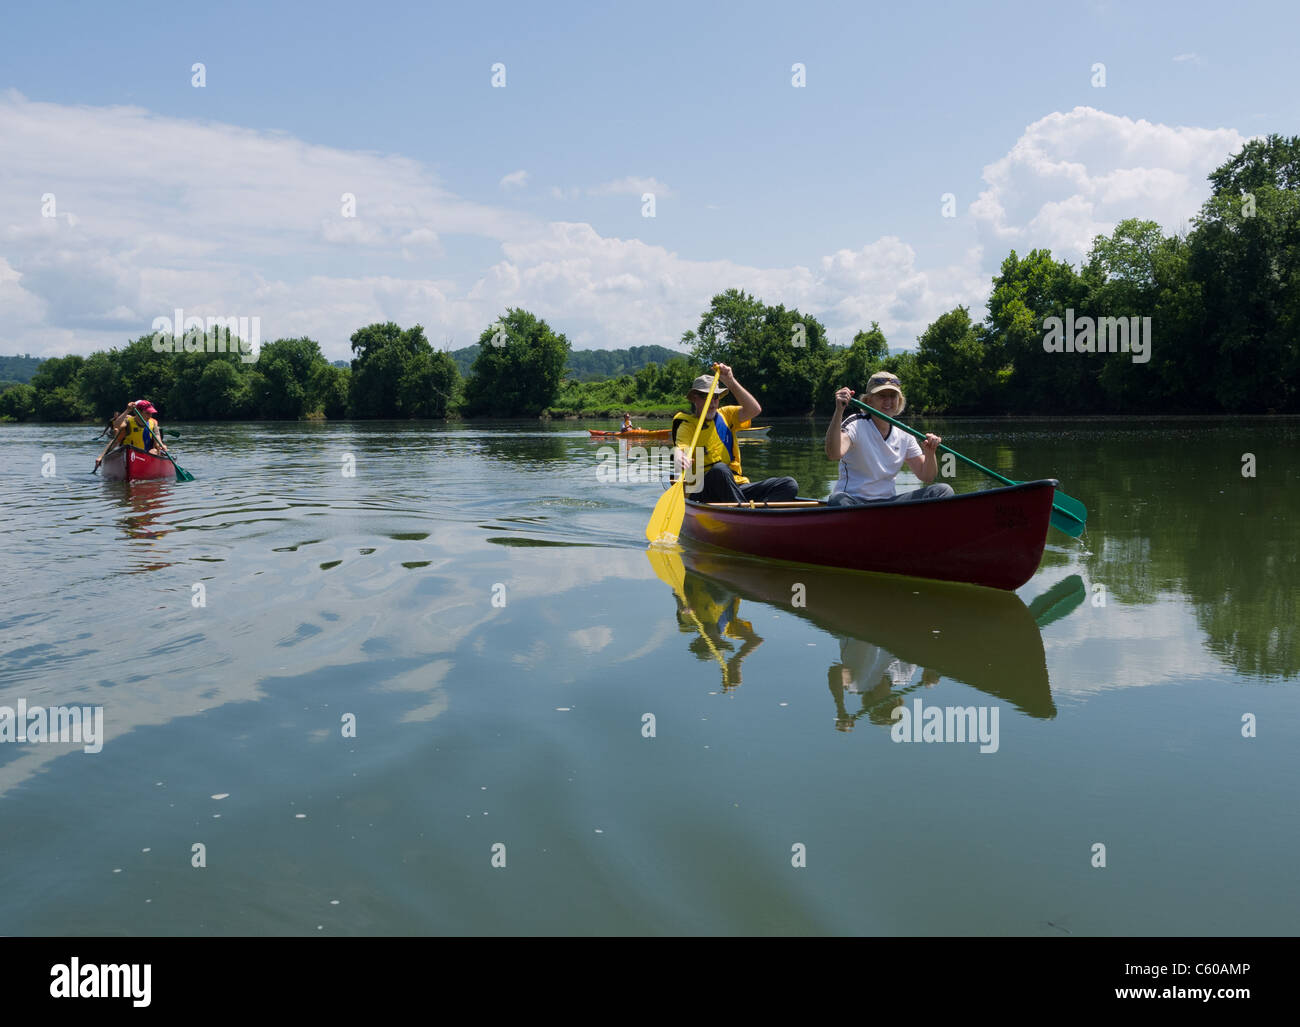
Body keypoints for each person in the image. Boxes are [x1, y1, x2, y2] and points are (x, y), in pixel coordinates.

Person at [672, 364, 797, 504]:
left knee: (789, 484)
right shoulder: (687, 425)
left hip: (736, 485)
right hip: (702, 490)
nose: (711, 402)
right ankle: (745, 513)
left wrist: (731, 381)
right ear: (695, 398)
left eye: (715, 396)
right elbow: (680, 449)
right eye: (704, 396)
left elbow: (754, 410)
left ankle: (758, 512)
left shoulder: (727, 415)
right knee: (720, 470)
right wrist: (679, 457)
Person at [824, 373, 953, 505]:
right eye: (882, 396)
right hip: (854, 502)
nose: (888, 401)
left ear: (899, 401)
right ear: (869, 401)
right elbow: (833, 453)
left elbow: (927, 476)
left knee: (943, 491)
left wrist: (930, 453)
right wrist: (839, 411)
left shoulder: (904, 433)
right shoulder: (855, 424)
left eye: (893, 396)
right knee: (837, 500)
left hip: (888, 504)